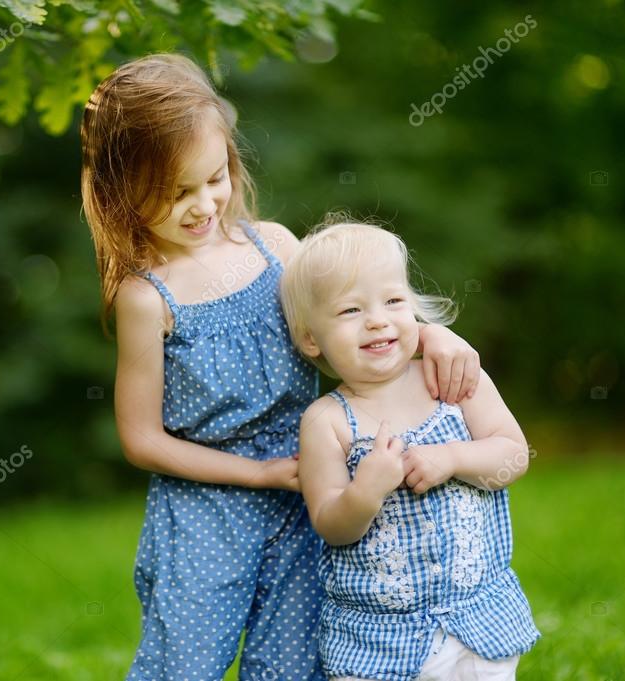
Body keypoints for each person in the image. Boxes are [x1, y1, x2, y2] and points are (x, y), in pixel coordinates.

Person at [80, 54, 482, 680]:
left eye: (214, 178)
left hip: (308, 489)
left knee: (292, 665)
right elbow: (141, 439)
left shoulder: (275, 247)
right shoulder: (146, 297)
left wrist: (432, 336)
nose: (204, 203)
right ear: (121, 192)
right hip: (204, 511)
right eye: (176, 193)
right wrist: (259, 472)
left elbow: (352, 321)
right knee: (183, 665)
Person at [280, 220, 540, 681]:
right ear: (311, 338)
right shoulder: (327, 421)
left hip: (475, 621)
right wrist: (365, 492)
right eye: (350, 310)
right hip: (375, 640)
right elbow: (329, 523)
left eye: (394, 301)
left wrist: (454, 458)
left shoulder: (452, 381)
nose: (377, 319)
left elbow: (514, 455)